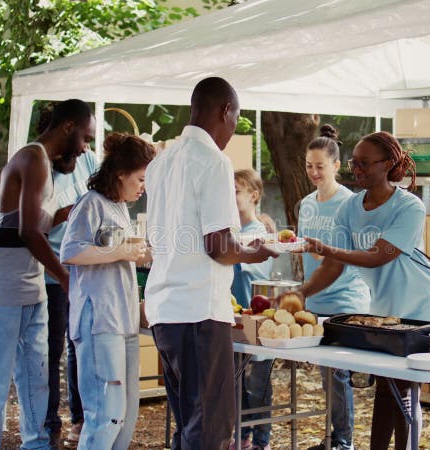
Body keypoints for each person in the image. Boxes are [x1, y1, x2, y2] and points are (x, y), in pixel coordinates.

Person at [145, 76, 277, 450]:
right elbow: (219, 246)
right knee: (212, 432)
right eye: (235, 120)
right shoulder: (215, 161)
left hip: (165, 311)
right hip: (199, 313)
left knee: (189, 423)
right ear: (226, 111)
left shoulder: (162, 161)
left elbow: (163, 239)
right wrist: (259, 250)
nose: (232, 130)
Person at [296, 131, 430, 450]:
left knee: (404, 389)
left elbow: (379, 255)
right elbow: (333, 266)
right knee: (385, 388)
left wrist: (330, 249)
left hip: (418, 307)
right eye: (354, 163)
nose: (357, 169)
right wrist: (301, 293)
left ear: (388, 164)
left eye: (364, 163)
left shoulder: (409, 207)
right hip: (384, 310)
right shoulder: (350, 207)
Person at [0, 99, 94, 450]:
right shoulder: (33, 157)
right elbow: (26, 231)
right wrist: (65, 276)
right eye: (85, 138)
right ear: (68, 127)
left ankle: (37, 442)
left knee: (36, 374)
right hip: (3, 286)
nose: (85, 147)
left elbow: (37, 221)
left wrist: (68, 213)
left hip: (32, 285)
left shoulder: (47, 165)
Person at [60, 132, 154, 449]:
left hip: (124, 321)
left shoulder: (119, 208)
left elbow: (119, 258)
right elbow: (71, 252)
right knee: (106, 414)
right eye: (140, 179)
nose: (143, 187)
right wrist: (121, 253)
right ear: (120, 174)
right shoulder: (91, 204)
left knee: (125, 416)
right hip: (100, 322)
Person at [298, 124, 370, 450]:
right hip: (316, 298)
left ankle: (343, 442)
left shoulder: (350, 203)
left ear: (337, 166)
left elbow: (356, 253)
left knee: (337, 374)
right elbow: (306, 248)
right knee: (328, 376)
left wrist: (319, 251)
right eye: (309, 166)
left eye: (320, 166)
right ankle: (333, 438)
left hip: (345, 297)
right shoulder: (306, 204)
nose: (314, 172)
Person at [35, 104, 96, 449]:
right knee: (52, 348)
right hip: (51, 272)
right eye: (82, 139)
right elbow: (33, 229)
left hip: (82, 269)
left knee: (80, 344)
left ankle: (80, 417)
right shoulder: (39, 165)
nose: (85, 148)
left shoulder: (86, 160)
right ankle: (48, 423)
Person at [231, 169, 275, 450]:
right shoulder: (234, 231)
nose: (230, 197)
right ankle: (243, 435)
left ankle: (261, 440)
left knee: (258, 384)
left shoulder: (259, 234)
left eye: (235, 191)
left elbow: (247, 263)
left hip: (257, 319)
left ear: (254, 196)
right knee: (237, 380)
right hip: (235, 317)